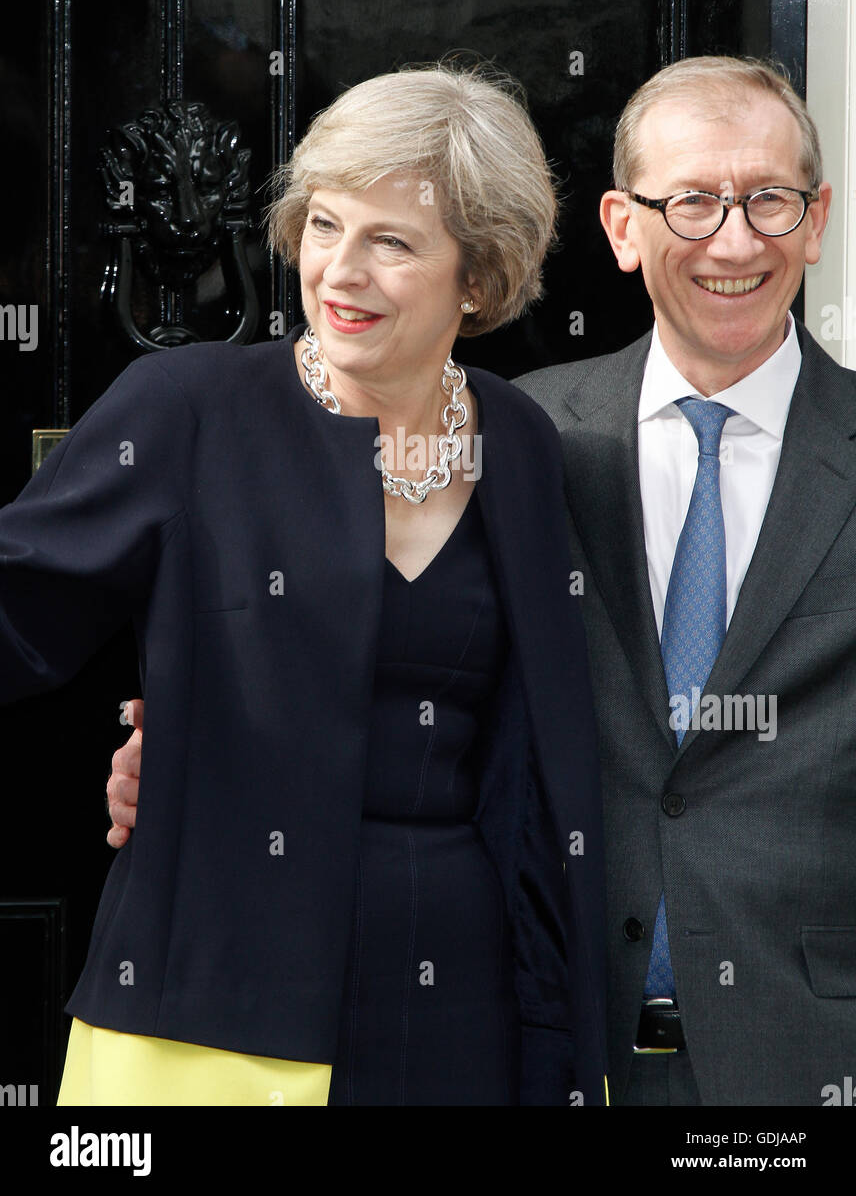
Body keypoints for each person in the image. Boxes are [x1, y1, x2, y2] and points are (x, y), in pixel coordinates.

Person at [1, 64, 608, 1106]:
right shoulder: (186, 407)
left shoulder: (519, 438)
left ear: (478, 274)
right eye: (325, 224)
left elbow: (542, 730)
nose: (340, 271)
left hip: (462, 992)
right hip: (210, 993)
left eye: (392, 242)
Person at [517, 55, 850, 1105]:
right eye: (693, 201)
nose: (735, 239)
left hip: (808, 1062)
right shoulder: (522, 442)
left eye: (767, 199)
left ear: (816, 218)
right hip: (557, 1047)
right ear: (621, 226)